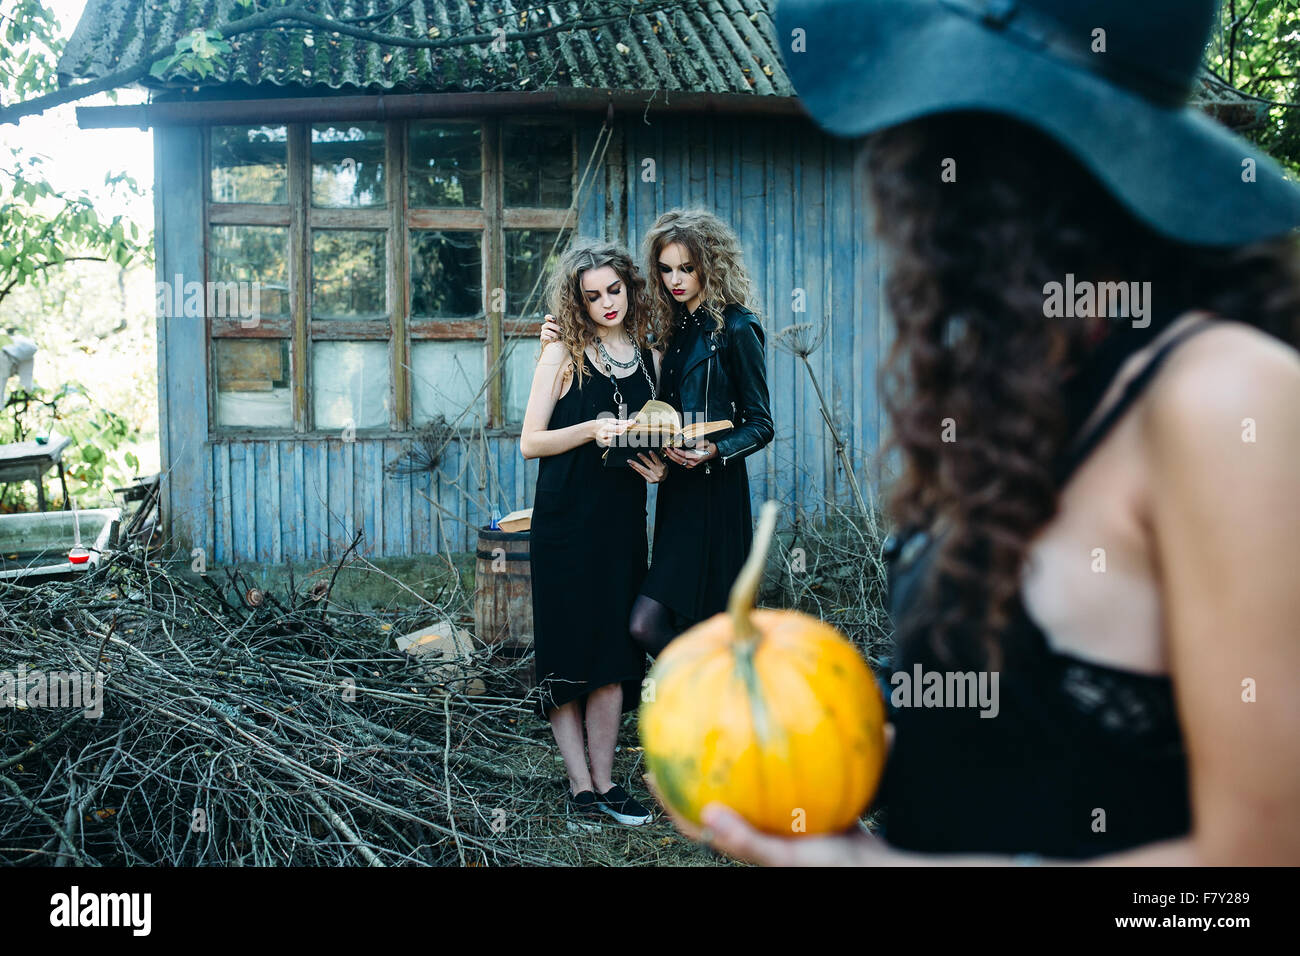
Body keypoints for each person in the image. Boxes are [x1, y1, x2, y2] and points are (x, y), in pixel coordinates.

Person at [660, 0, 1300, 864]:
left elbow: (1252, 867)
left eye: (917, 137)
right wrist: (818, 743)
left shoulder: (1224, 399)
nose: (897, 181)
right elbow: (1032, 748)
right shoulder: (1028, 392)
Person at [541, 209, 774, 655]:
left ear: (712, 263)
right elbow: (611, 342)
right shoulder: (670, 327)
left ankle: (710, 696)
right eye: (666, 269)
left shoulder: (739, 326)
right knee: (680, 625)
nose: (675, 279)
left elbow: (762, 424)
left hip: (716, 494)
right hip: (674, 492)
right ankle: (708, 704)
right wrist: (554, 335)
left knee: (656, 624)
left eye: (687, 268)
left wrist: (715, 450)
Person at [519, 240, 667, 829]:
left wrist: (656, 464)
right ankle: (579, 789)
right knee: (568, 648)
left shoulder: (650, 359)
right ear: (576, 302)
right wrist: (591, 429)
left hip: (622, 522)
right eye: (592, 295)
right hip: (564, 522)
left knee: (612, 650)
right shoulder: (562, 353)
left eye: (614, 289)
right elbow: (531, 442)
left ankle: (606, 783)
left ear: (630, 287)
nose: (606, 303)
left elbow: (649, 435)